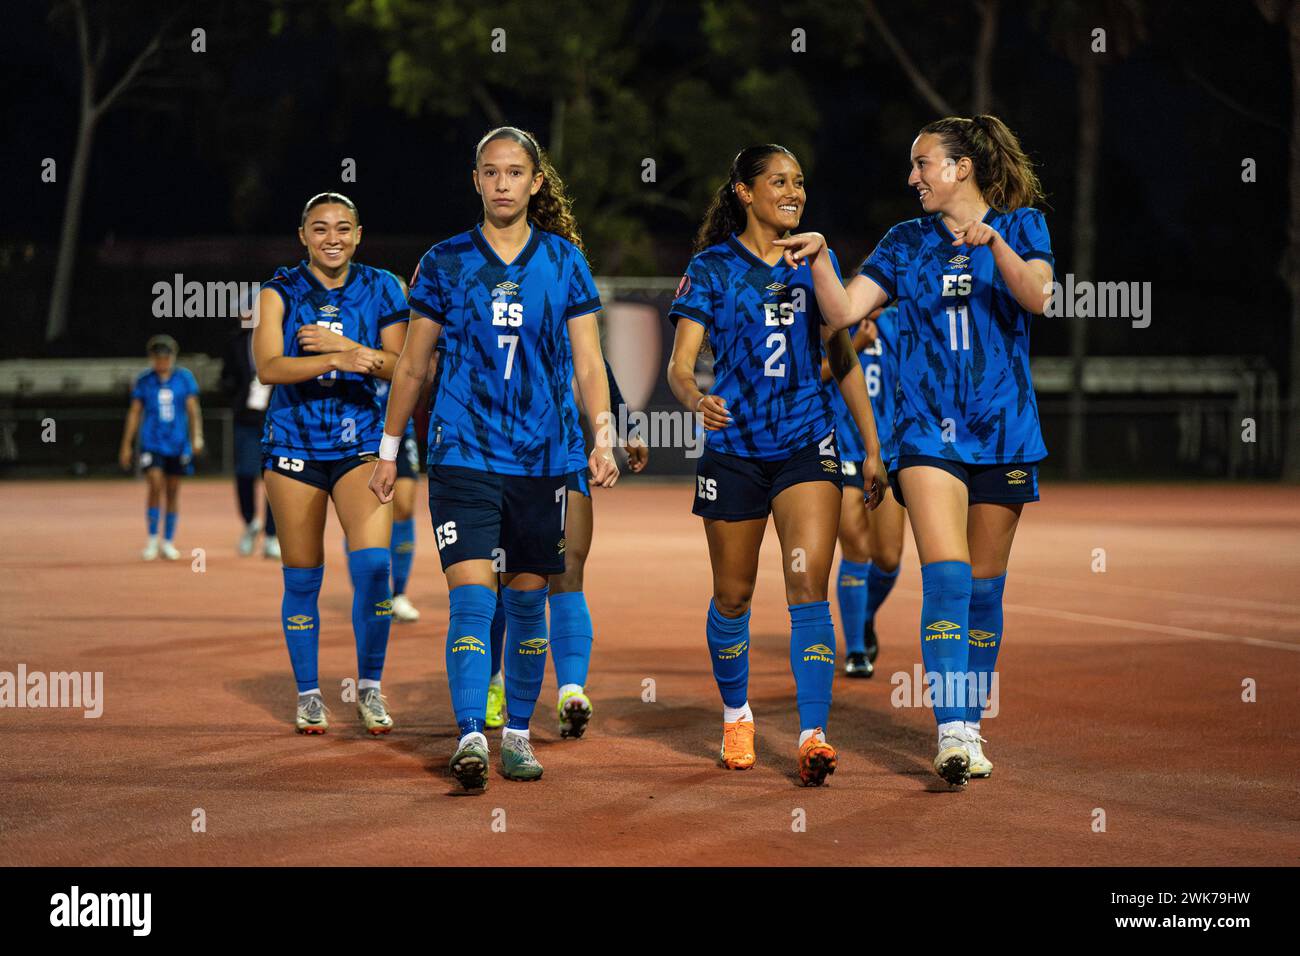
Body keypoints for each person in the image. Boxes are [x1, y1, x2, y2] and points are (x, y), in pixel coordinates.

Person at [780, 114, 1053, 787]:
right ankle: (952, 730)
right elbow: (843, 313)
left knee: (987, 592)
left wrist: (995, 247)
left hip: (1006, 432)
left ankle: (972, 724)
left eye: (923, 163)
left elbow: (1039, 297)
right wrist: (820, 260)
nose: (913, 177)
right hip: (927, 433)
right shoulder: (905, 242)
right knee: (950, 576)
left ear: (960, 167)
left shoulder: (1022, 227)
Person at [371, 127, 618, 791]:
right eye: (491, 172)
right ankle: (471, 736)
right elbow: (414, 363)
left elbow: (589, 361)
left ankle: (517, 738)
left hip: (543, 459)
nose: (503, 183)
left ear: (536, 182)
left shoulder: (563, 260)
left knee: (530, 600)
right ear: (475, 180)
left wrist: (602, 435)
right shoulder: (446, 261)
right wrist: (390, 449)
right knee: (473, 601)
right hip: (463, 455)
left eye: (515, 172)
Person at [666, 144, 886, 787]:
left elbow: (842, 356)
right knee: (733, 596)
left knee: (806, 587)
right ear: (744, 191)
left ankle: (813, 732)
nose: (793, 191)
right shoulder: (709, 268)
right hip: (734, 453)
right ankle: (737, 715)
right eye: (779, 181)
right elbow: (680, 366)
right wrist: (694, 398)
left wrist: (870, 446)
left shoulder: (815, 260)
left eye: (799, 182)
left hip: (805, 446)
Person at [253, 191, 409, 736]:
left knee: (373, 570)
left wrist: (345, 346)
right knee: (303, 578)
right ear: (303, 237)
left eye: (343, 228)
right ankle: (310, 694)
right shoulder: (279, 291)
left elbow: (405, 367)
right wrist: (340, 359)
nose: (332, 238)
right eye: (320, 229)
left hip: (362, 445)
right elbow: (269, 367)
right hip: (293, 449)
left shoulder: (385, 286)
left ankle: (369, 687)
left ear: (359, 235)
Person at [483, 361, 649, 735]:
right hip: (495, 454)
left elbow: (595, 366)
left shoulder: (563, 303)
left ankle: (571, 693)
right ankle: (494, 682)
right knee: (498, 577)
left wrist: (627, 428)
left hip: (562, 454)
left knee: (568, 571)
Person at [822, 305, 905, 678]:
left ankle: (863, 614)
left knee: (888, 557)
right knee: (856, 547)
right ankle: (856, 649)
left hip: (884, 451)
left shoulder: (899, 326)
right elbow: (813, 376)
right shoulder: (832, 323)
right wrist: (854, 343)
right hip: (841, 448)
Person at [118, 335, 203, 561]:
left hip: (177, 443)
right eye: (158, 358)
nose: (162, 362)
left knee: (173, 490)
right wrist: (126, 444)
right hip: (152, 442)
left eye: (166, 357)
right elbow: (135, 412)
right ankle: (152, 539)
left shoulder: (184, 378)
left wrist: (196, 437)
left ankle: (168, 541)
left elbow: (193, 410)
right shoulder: (144, 380)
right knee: (155, 483)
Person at [221, 326, 279, 558]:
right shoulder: (236, 342)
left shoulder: (281, 336)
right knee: (244, 473)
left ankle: (272, 536)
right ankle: (250, 523)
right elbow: (226, 376)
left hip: (275, 419)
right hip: (245, 418)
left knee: (274, 477)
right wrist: (235, 393)